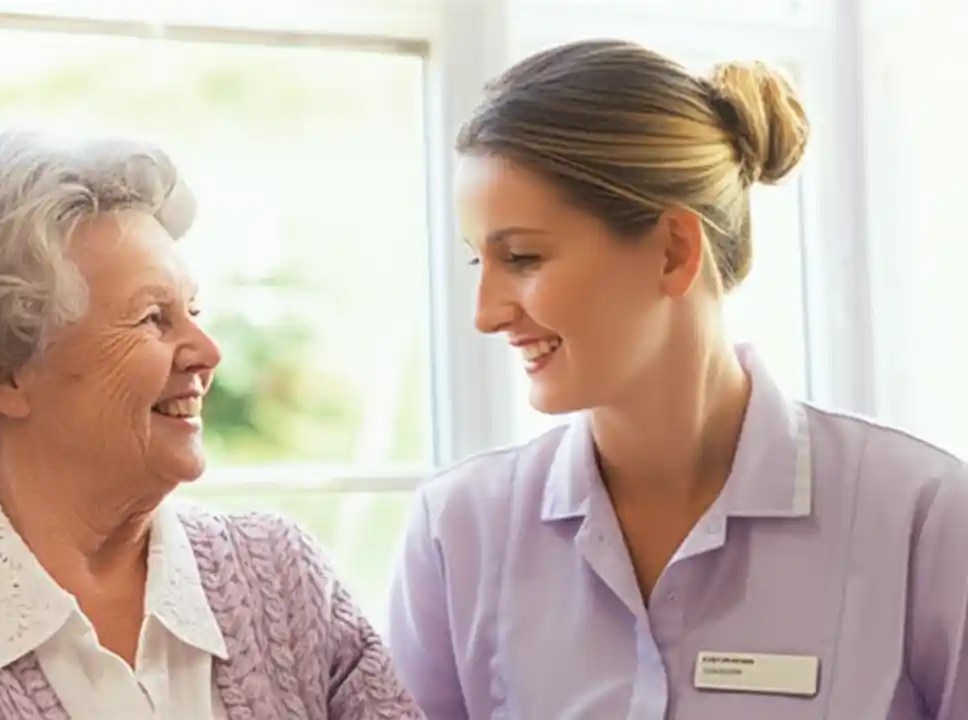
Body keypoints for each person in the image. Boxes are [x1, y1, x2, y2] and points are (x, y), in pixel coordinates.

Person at [386, 38, 968, 719]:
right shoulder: (457, 531)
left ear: (673, 251)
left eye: (522, 256)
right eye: (475, 263)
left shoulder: (922, 520)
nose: (486, 315)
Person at [0, 130, 422, 720]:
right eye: (152, 319)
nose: (207, 352)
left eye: (193, 310)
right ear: (3, 372)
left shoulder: (283, 578)